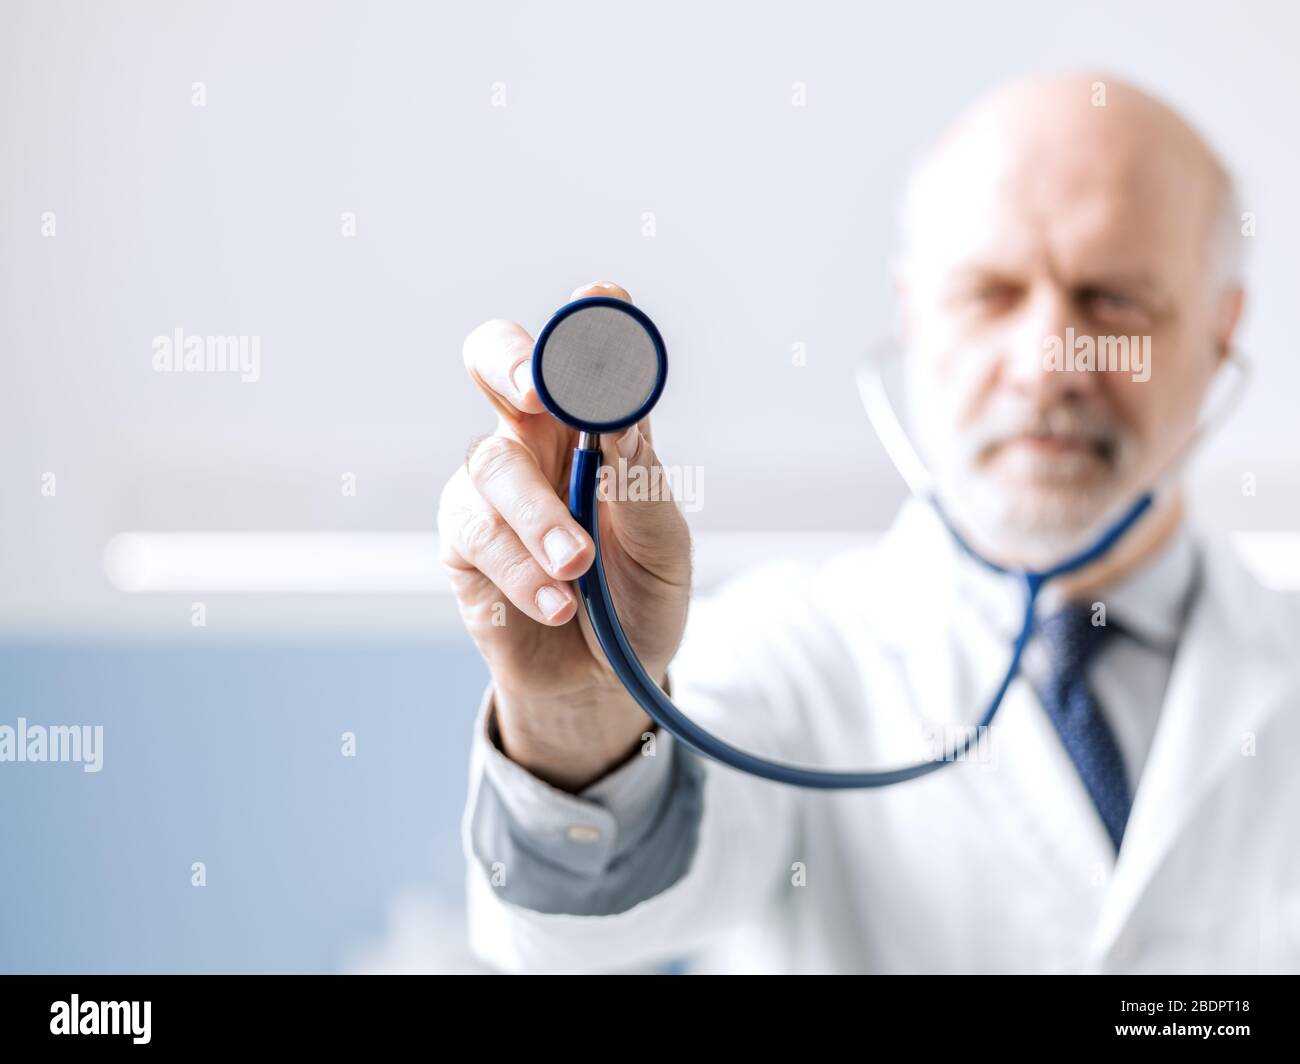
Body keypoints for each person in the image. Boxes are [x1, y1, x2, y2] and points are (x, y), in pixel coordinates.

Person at [436, 72, 1300, 973]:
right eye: (990, 293)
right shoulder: (785, 658)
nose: (1049, 365)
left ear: (1219, 332)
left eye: (1114, 300)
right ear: (912, 313)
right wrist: (579, 713)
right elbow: (577, 929)